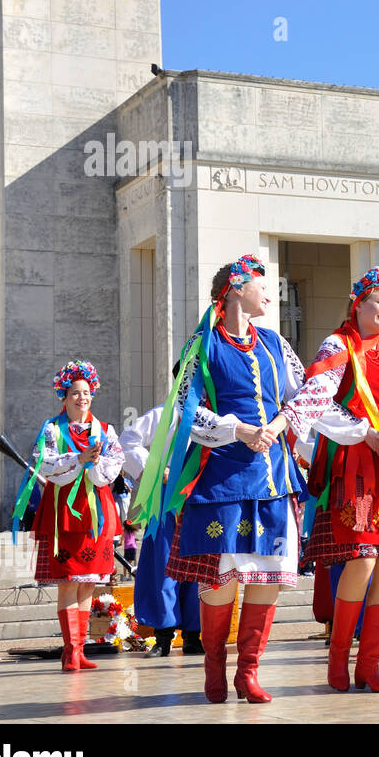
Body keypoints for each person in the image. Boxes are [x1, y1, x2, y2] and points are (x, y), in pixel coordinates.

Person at [131, 255, 310, 703]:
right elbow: (184, 411)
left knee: (270, 573)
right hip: (220, 479)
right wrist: (238, 429)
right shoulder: (203, 346)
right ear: (235, 288)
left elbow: (304, 396)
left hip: (273, 478)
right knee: (222, 576)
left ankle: (248, 671)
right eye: (262, 285)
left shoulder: (275, 343)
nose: (270, 292)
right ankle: (214, 664)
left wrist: (281, 423)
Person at [273, 267, 379, 693]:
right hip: (354, 465)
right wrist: (367, 432)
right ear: (357, 302)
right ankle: (338, 658)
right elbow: (317, 396)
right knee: (361, 558)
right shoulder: (337, 345)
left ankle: (370, 664)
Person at [15, 361, 125, 672]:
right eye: (75, 393)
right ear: (64, 397)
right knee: (67, 581)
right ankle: (69, 649)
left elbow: (114, 465)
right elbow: (43, 463)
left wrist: (96, 464)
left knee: (89, 583)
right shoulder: (51, 429)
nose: (81, 398)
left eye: (86, 392)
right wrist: (78, 459)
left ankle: (79, 649)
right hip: (63, 508)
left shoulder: (105, 430)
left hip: (96, 511)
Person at [122, 397, 203, 656]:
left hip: (202, 498)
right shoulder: (164, 414)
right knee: (163, 564)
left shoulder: (217, 413)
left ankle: (194, 634)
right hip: (167, 499)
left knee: (200, 564)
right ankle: (163, 637)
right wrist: (155, 469)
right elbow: (127, 440)